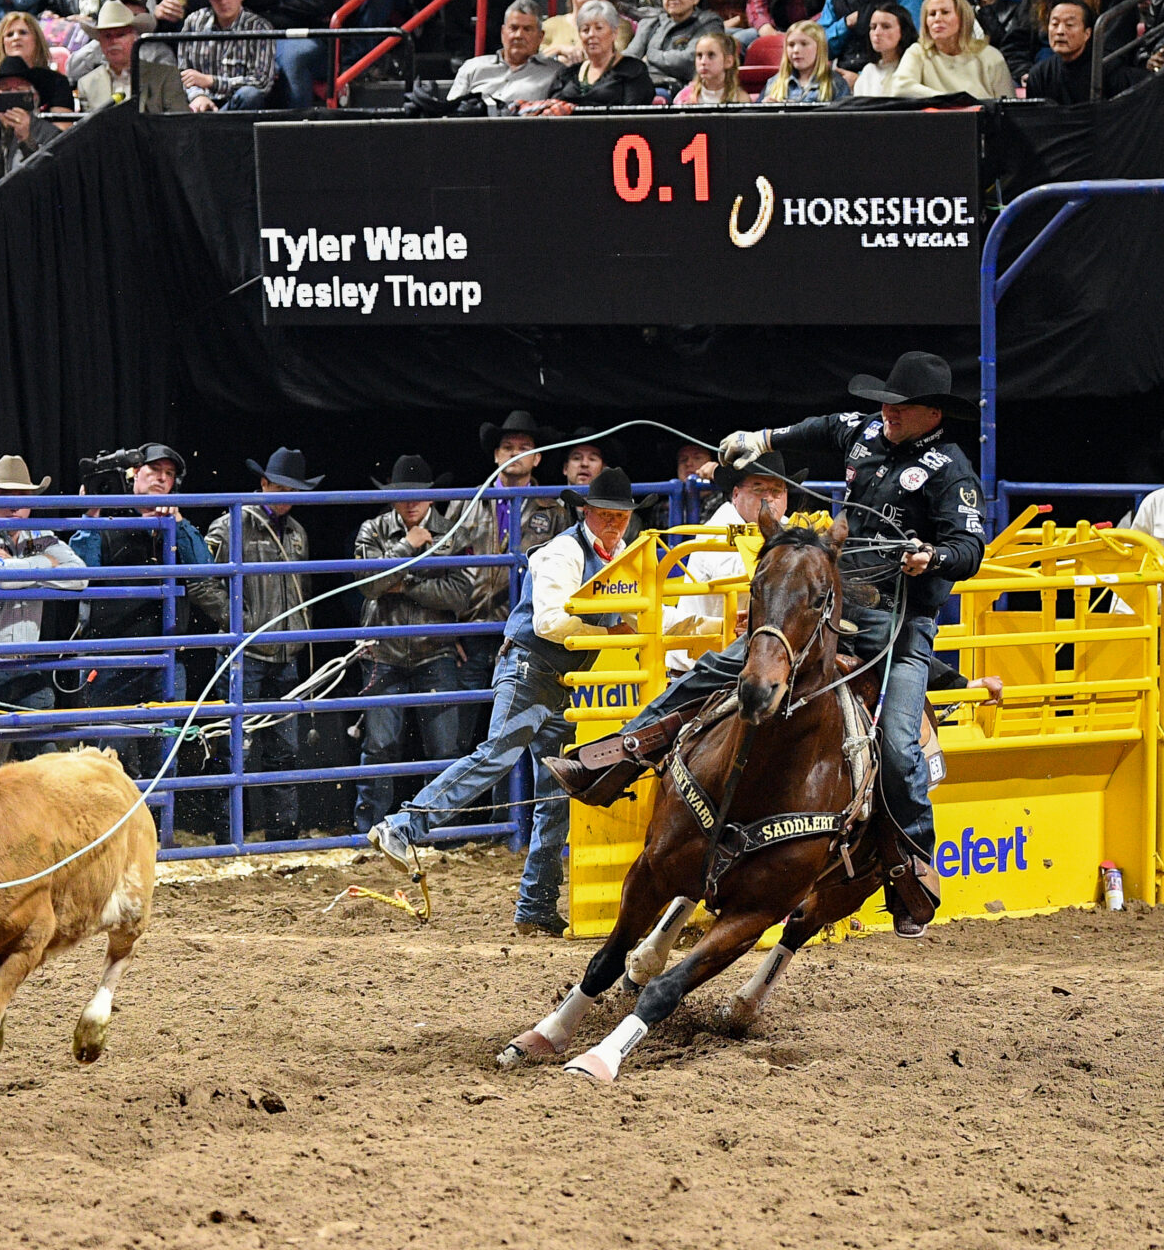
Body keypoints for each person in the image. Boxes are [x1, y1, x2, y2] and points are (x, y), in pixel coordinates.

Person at [550, 351, 990, 938]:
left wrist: (931, 556)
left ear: (929, 413)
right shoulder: (865, 432)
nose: (885, 412)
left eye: (898, 406)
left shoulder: (950, 472)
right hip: (832, 606)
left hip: (902, 621)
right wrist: (761, 436)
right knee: (723, 669)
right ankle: (622, 753)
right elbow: (823, 428)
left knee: (900, 742)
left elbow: (969, 547)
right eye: (884, 402)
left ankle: (910, 865)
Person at [368, 465, 646, 938]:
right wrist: (610, 633)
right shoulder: (561, 553)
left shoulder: (620, 558)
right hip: (531, 667)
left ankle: (536, 904)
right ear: (586, 513)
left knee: (558, 788)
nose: (613, 524)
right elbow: (549, 625)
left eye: (620, 517)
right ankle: (404, 825)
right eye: (604, 515)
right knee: (498, 755)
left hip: (564, 678)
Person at [351, 453, 477, 835]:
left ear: (432, 496)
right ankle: (370, 830)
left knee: (444, 750)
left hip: (434, 650)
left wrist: (404, 583)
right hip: (383, 652)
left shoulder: (452, 531)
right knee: (379, 748)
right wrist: (407, 547)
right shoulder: (372, 529)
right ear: (392, 497)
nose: (411, 502)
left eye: (418, 494)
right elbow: (369, 585)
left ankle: (437, 832)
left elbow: (460, 594)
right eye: (403, 494)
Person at [192, 447, 316, 838]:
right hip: (245, 652)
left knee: (284, 750)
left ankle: (283, 836)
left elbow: (304, 589)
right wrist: (240, 621)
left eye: (291, 489)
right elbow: (201, 581)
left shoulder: (297, 534)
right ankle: (231, 835)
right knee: (236, 749)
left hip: (286, 652)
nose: (284, 496)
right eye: (279, 486)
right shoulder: (230, 525)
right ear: (263, 483)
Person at [74, 442, 210, 780]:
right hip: (112, 657)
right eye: (154, 471)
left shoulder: (177, 528)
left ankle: (157, 833)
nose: (161, 479)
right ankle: (113, 833)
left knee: (163, 760)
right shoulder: (107, 518)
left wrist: (177, 519)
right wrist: (89, 516)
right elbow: (81, 573)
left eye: (169, 474)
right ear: (135, 474)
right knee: (109, 760)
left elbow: (204, 571)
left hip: (164, 657)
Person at [0, 453, 88, 766]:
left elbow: (79, 576)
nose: (14, 505)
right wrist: (44, 566)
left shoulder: (39, 534)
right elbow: (0, 579)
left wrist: (17, 567)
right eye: (4, 495)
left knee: (45, 764)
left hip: (26, 664)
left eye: (21, 496)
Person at [449, 411, 569, 747]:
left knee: (516, 737)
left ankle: (513, 802)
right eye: (507, 446)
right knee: (460, 737)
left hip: (526, 638)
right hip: (471, 634)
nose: (515, 453)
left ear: (537, 457)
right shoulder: (467, 502)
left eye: (524, 446)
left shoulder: (554, 508)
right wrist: (450, 627)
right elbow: (444, 566)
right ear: (496, 455)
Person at [660, 450, 794, 673]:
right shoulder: (718, 528)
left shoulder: (790, 527)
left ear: (787, 497)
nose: (768, 497)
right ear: (735, 495)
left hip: (752, 665)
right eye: (758, 489)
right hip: (699, 668)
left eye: (777, 491)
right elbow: (734, 577)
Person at [245, 0, 345, 110]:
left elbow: (320, 3)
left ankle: (298, 124)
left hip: (306, 37)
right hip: (258, 33)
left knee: (293, 55)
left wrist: (267, 2)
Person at [888, 0, 1015, 97]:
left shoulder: (990, 56)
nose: (937, 19)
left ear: (962, 17)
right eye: (932, 14)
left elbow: (1008, 107)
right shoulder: (918, 52)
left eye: (945, 12)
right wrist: (948, 101)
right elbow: (899, 88)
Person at [179, 0, 274, 110]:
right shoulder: (193, 22)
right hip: (198, 104)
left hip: (237, 104)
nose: (223, 1)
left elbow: (261, 82)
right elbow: (182, 71)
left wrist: (211, 81)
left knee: (250, 94)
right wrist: (197, 96)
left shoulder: (259, 27)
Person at [448, 0, 567, 108]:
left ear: (540, 37)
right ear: (503, 32)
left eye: (527, 29)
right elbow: (449, 114)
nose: (519, 35)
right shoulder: (472, 67)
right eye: (513, 28)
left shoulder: (556, 73)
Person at [1024, 0, 1148, 101]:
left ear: (1087, 34)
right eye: (1055, 24)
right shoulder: (1039, 75)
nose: (1060, 31)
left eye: (1070, 25)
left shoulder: (1107, 68)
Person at [76, 0, 191, 110]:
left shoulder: (165, 76)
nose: (113, 41)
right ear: (100, 41)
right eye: (107, 36)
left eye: (120, 35)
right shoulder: (87, 84)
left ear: (135, 38)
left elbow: (179, 126)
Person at [624, 0, 724, 87]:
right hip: (641, 85)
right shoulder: (650, 23)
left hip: (680, 90)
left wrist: (651, 55)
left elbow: (690, 61)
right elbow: (628, 60)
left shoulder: (709, 23)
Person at [819, 0, 923, 73]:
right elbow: (818, 46)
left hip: (888, 75)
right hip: (841, 77)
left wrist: (862, 80)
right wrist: (846, 23)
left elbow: (913, 45)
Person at [0, 55, 63, 183]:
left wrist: (27, 141)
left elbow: (53, 175)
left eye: (19, 89)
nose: (12, 93)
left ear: (33, 97)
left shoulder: (50, 134)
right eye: (5, 89)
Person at [552, 0, 655, 103]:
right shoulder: (567, 74)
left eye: (599, 28)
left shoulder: (633, 70)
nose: (591, 34)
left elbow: (634, 114)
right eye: (585, 30)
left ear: (614, 33)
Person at [543, 0, 632, 63]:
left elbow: (611, 55)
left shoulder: (618, 26)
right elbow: (532, 57)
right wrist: (560, 50)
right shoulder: (550, 25)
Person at [761, 18, 851, 100]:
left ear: (819, 48)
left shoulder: (836, 84)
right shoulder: (774, 83)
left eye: (804, 44)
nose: (796, 50)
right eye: (791, 45)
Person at [969, 0, 1030, 75]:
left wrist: (985, 9)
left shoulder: (1017, 10)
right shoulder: (960, 10)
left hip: (1000, 73)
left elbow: (1007, 48)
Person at [851, 1, 915, 93]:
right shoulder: (868, 72)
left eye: (886, 26)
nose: (877, 33)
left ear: (904, 31)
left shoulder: (915, 67)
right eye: (873, 27)